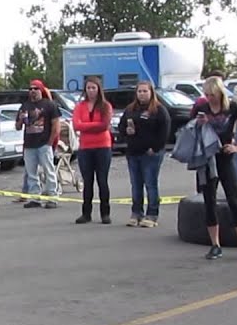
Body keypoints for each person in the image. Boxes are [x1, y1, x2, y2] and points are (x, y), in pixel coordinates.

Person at [191, 76, 237, 261]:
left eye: (212, 94)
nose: (209, 98)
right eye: (206, 94)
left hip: (225, 156)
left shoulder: (232, 108)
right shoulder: (202, 108)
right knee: (209, 201)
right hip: (208, 158)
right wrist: (199, 124)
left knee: (234, 200)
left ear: (220, 93)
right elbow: (190, 130)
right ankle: (215, 244)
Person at [119, 80, 171, 228]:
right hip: (133, 152)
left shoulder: (159, 110)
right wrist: (126, 133)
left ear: (151, 92)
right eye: (139, 91)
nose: (142, 94)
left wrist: (154, 148)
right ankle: (136, 213)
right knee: (136, 185)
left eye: (145, 91)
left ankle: (152, 214)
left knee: (150, 184)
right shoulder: (130, 109)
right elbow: (121, 127)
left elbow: (165, 131)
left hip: (150, 154)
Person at [72, 78, 113, 224]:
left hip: (103, 146)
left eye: (93, 88)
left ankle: (105, 213)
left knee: (102, 180)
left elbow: (104, 125)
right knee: (87, 181)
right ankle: (86, 213)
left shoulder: (105, 106)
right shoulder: (80, 106)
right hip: (85, 148)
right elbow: (76, 125)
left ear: (99, 89)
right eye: (88, 88)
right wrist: (92, 126)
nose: (91, 90)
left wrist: (86, 126)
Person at [16, 79, 61, 209]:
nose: (33, 91)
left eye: (35, 89)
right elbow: (18, 127)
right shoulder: (25, 106)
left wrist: (50, 142)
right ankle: (35, 197)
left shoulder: (49, 105)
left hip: (44, 143)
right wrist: (21, 119)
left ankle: (52, 196)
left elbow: (56, 126)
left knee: (48, 170)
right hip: (29, 144)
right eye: (30, 89)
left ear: (41, 90)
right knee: (31, 172)